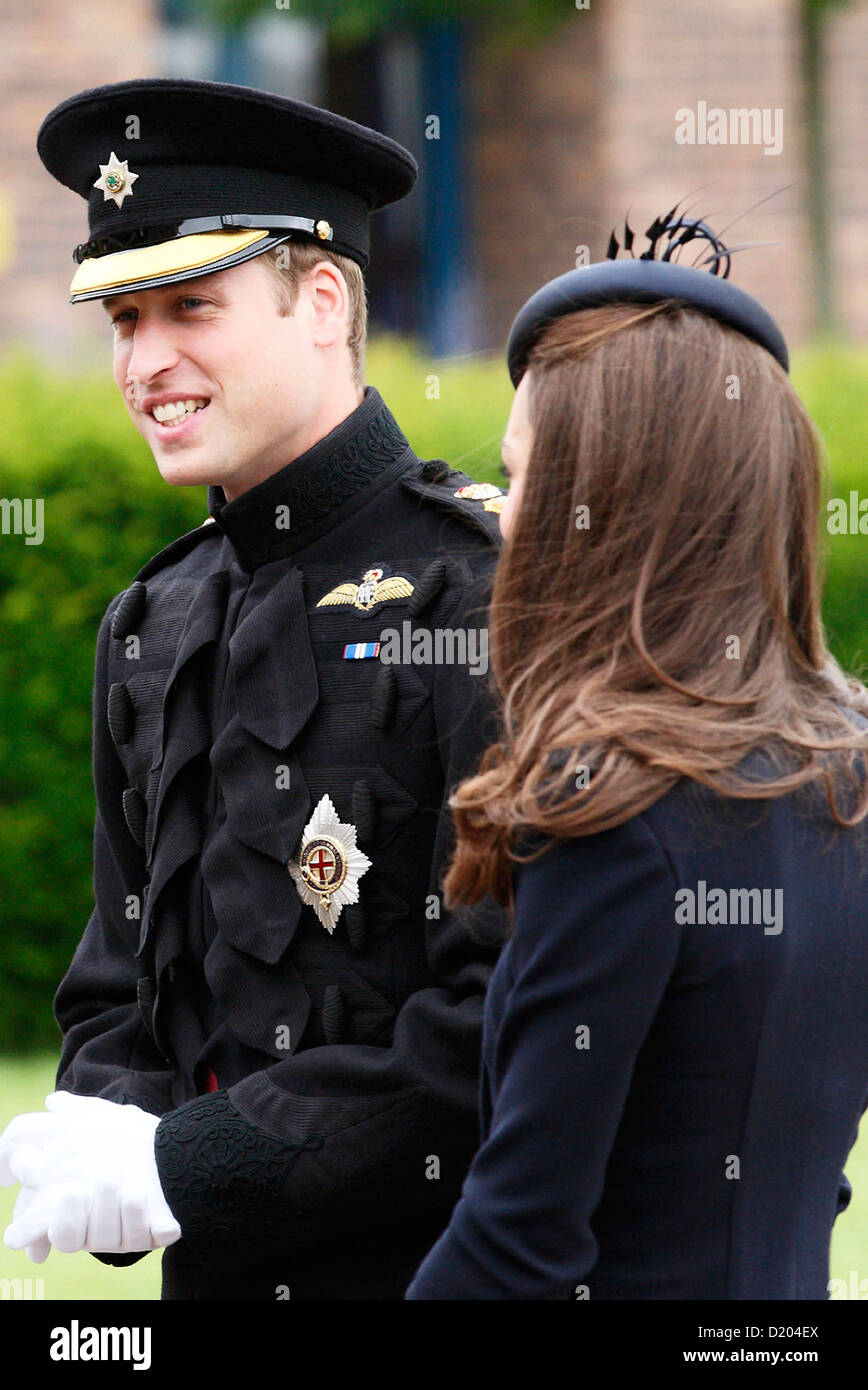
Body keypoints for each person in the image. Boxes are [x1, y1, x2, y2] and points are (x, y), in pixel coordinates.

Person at [0, 77, 509, 1301]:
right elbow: (118, 977)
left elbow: (499, 1010)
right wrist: (104, 1143)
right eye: (123, 320)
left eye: (191, 307)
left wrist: (190, 1161)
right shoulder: (152, 619)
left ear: (321, 298)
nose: (147, 361)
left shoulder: (481, 593)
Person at [405, 213, 868, 1299]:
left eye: (522, 481)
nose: (502, 521)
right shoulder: (843, 770)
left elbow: (519, 1241)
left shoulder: (614, 804)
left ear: (605, 507)